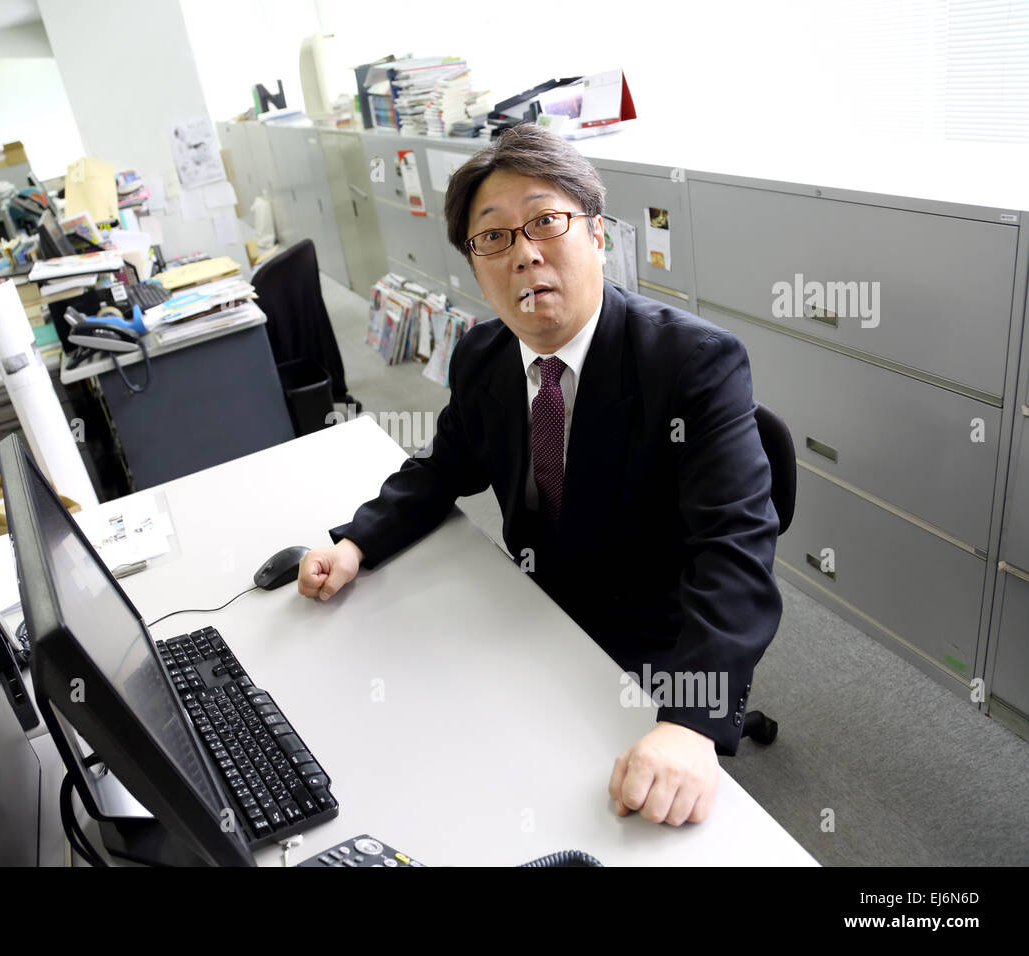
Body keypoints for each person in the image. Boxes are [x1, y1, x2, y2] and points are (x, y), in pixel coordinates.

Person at [297, 124, 782, 827]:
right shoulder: (484, 356)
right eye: (492, 237)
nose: (523, 254)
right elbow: (444, 464)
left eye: (547, 222)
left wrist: (691, 724)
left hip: (654, 633)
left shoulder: (692, 365)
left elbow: (735, 548)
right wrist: (356, 544)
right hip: (533, 601)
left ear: (598, 235)